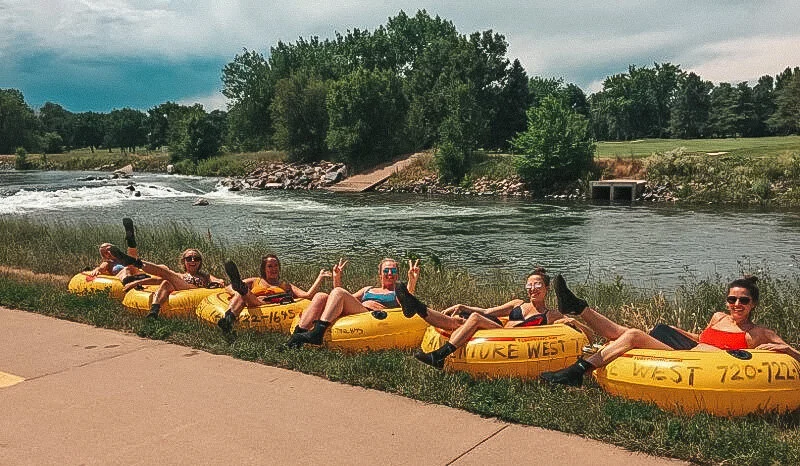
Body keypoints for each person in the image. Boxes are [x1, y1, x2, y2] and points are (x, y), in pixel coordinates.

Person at [540, 274, 800, 387]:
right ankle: (578, 307)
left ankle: (577, 372)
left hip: (702, 368)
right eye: (732, 300)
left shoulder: (760, 333)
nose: (737, 305)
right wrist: (676, 330)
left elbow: (794, 355)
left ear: (753, 304)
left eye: (743, 301)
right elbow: (703, 339)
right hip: (688, 353)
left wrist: (786, 349)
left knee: (631, 335)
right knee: (625, 332)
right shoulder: (718, 317)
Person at [395, 268, 593, 369]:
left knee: (473, 319)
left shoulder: (552, 315)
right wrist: (463, 306)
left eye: (537, 285)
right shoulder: (517, 304)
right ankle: (416, 307)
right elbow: (488, 311)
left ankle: (439, 356)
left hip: (511, 339)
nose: (533, 289)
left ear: (547, 289)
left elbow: (590, 336)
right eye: (529, 285)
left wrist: (574, 322)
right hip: (496, 329)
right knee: (458, 321)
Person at [284, 258, 420, 348]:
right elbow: (343, 299)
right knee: (320, 296)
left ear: (397, 274)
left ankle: (317, 333)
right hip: (357, 310)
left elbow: (407, 303)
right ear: (380, 274)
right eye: (386, 270)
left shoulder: (398, 292)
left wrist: (412, 281)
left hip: (369, 316)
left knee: (338, 292)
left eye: (393, 270)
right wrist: (337, 279)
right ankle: (295, 339)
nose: (389, 273)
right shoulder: (368, 289)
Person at [216, 255, 331, 333]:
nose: (273, 269)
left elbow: (307, 295)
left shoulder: (285, 285)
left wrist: (320, 277)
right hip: (252, 301)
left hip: (266, 304)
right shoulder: (255, 281)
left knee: (243, 292)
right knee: (240, 293)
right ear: (264, 269)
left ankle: (236, 303)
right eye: (270, 266)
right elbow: (228, 287)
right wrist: (235, 290)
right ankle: (229, 318)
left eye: (276, 265)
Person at [109, 246, 224, 319]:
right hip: (181, 289)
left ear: (200, 262)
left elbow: (218, 281)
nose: (193, 261)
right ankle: (154, 310)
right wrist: (134, 283)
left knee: (166, 272)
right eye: (189, 259)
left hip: (195, 291)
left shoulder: (205, 276)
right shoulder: (180, 276)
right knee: (165, 282)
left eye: (196, 258)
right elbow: (157, 280)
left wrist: (218, 282)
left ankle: (135, 262)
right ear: (184, 262)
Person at [87, 218, 147, 284]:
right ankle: (131, 241)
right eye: (105, 253)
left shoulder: (125, 259)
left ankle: (130, 239)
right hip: (122, 278)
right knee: (126, 268)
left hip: (135, 273)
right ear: (104, 256)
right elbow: (101, 268)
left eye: (110, 250)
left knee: (132, 261)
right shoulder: (108, 263)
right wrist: (97, 269)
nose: (108, 252)